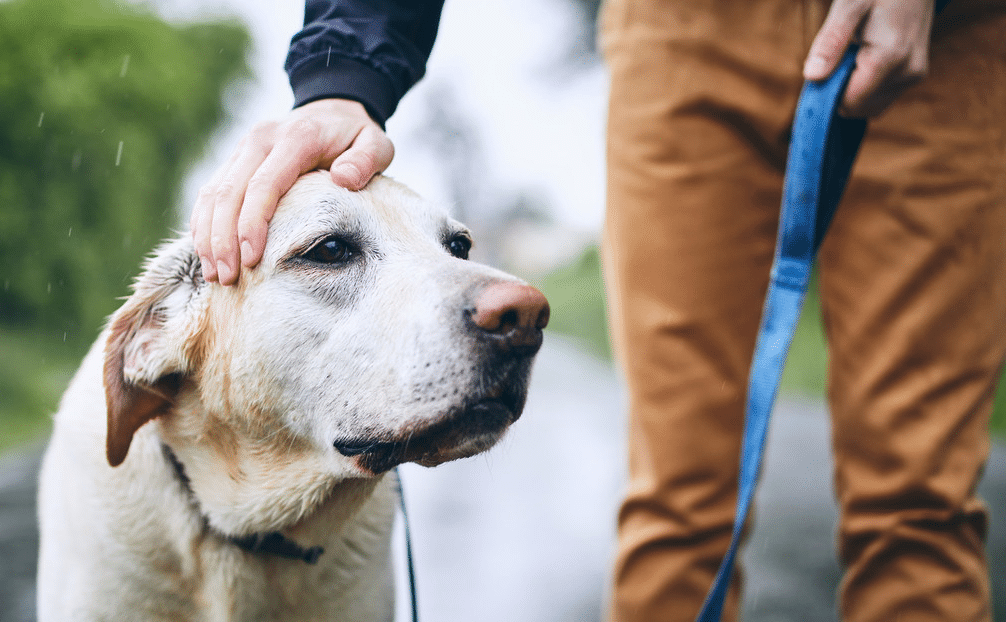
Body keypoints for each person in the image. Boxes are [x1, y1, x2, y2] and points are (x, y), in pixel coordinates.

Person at [190, 0, 1006, 620]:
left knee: (919, 511)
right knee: (680, 505)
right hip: (684, 31)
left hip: (947, 36)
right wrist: (346, 68)